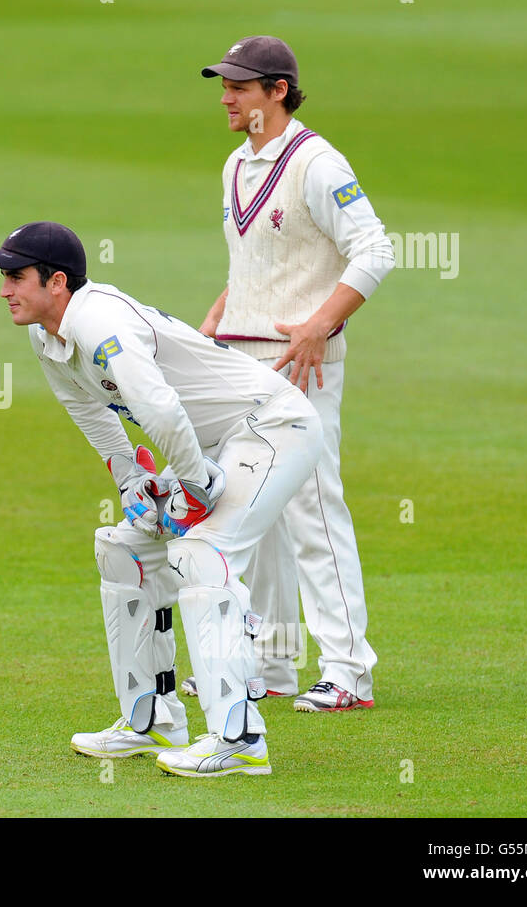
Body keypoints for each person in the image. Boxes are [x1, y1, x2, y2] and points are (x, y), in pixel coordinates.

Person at [0, 221, 322, 776]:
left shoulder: (99, 321)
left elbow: (160, 408)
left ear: (57, 281)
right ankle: (153, 720)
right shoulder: (47, 335)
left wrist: (192, 482)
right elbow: (88, 411)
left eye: (15, 277)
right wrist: (130, 483)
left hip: (270, 426)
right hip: (209, 440)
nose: (3, 290)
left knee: (202, 553)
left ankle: (240, 739)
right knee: (127, 549)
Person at [194, 36, 392, 711]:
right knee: (256, 507)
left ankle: (349, 670)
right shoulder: (235, 165)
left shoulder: (316, 161)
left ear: (278, 90)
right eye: (224, 85)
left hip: (300, 364)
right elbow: (247, 263)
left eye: (239, 87)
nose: (226, 97)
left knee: (311, 508)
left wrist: (321, 323)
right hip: (239, 360)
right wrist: (216, 318)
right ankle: (273, 666)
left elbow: (375, 249)